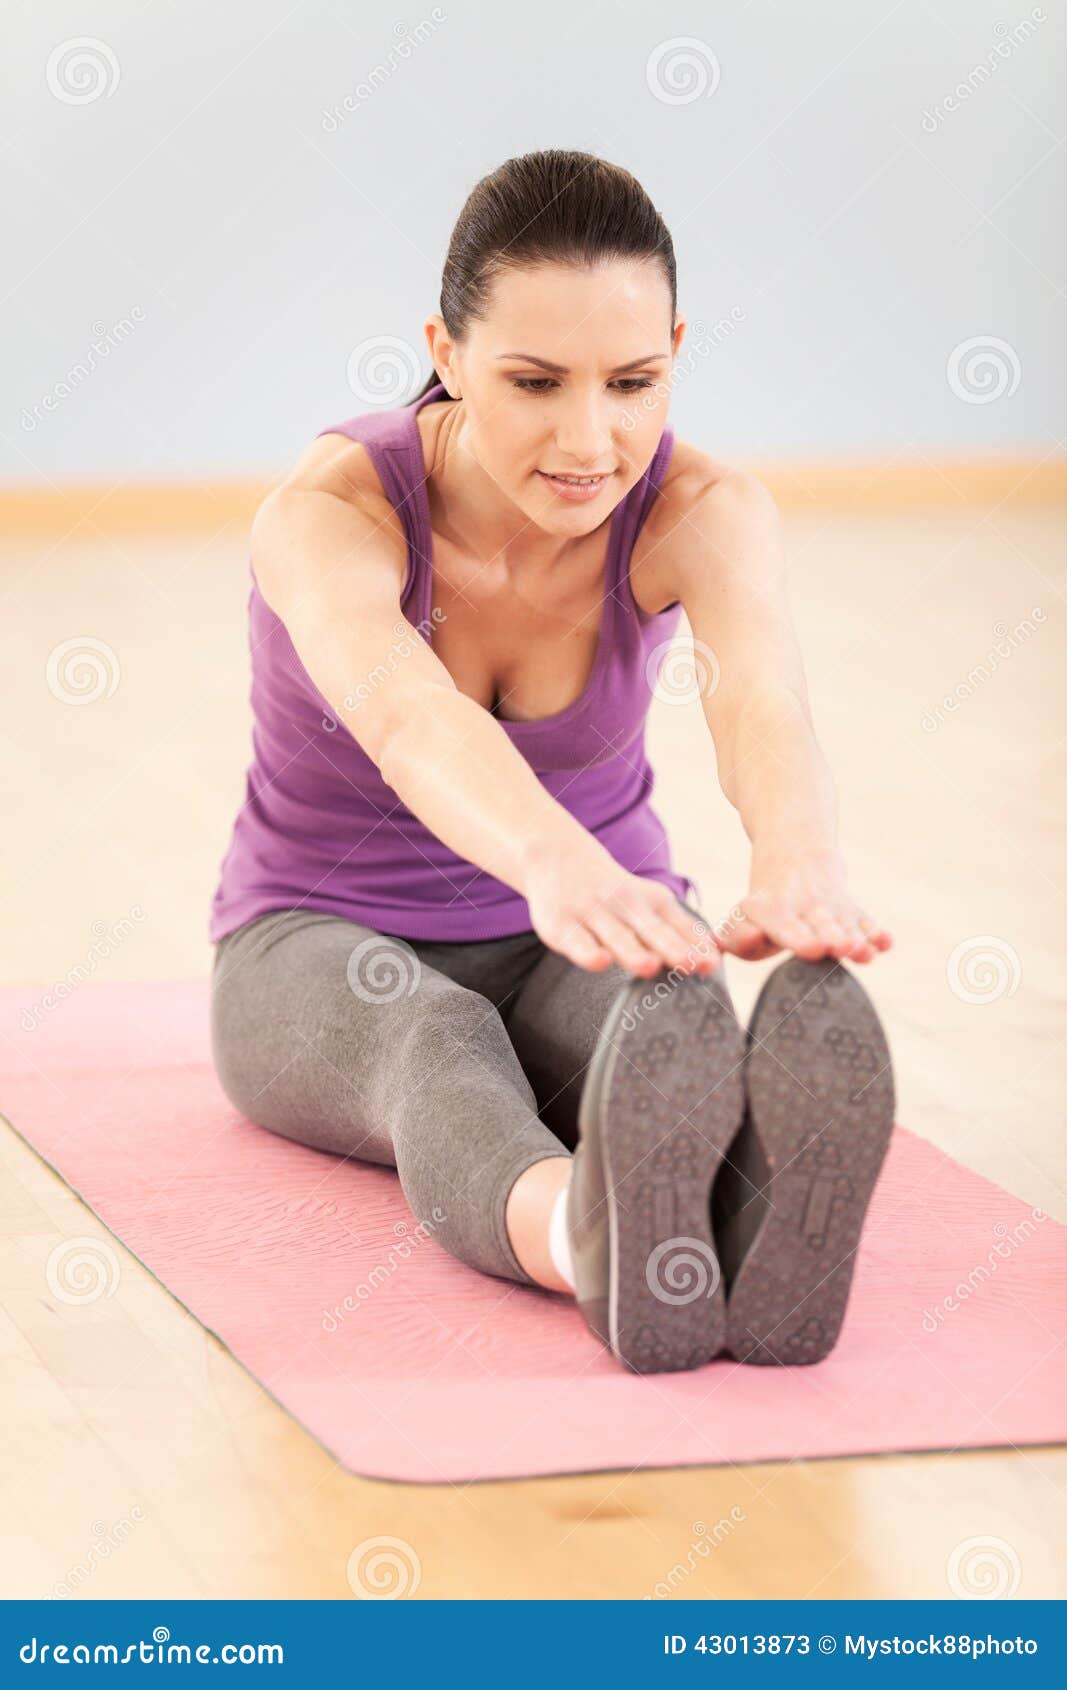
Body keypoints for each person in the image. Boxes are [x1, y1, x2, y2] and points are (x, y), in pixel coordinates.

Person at [208, 148, 895, 1375]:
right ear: (447, 349)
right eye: (533, 382)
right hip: (314, 938)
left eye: (634, 380)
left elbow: (761, 701)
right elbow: (409, 716)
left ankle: (751, 1221)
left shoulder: (705, 509)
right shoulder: (329, 517)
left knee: (668, 1015)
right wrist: (550, 861)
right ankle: (596, 1246)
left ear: (677, 347)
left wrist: (798, 865)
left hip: (584, 922)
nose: (592, 439)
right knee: (436, 1038)